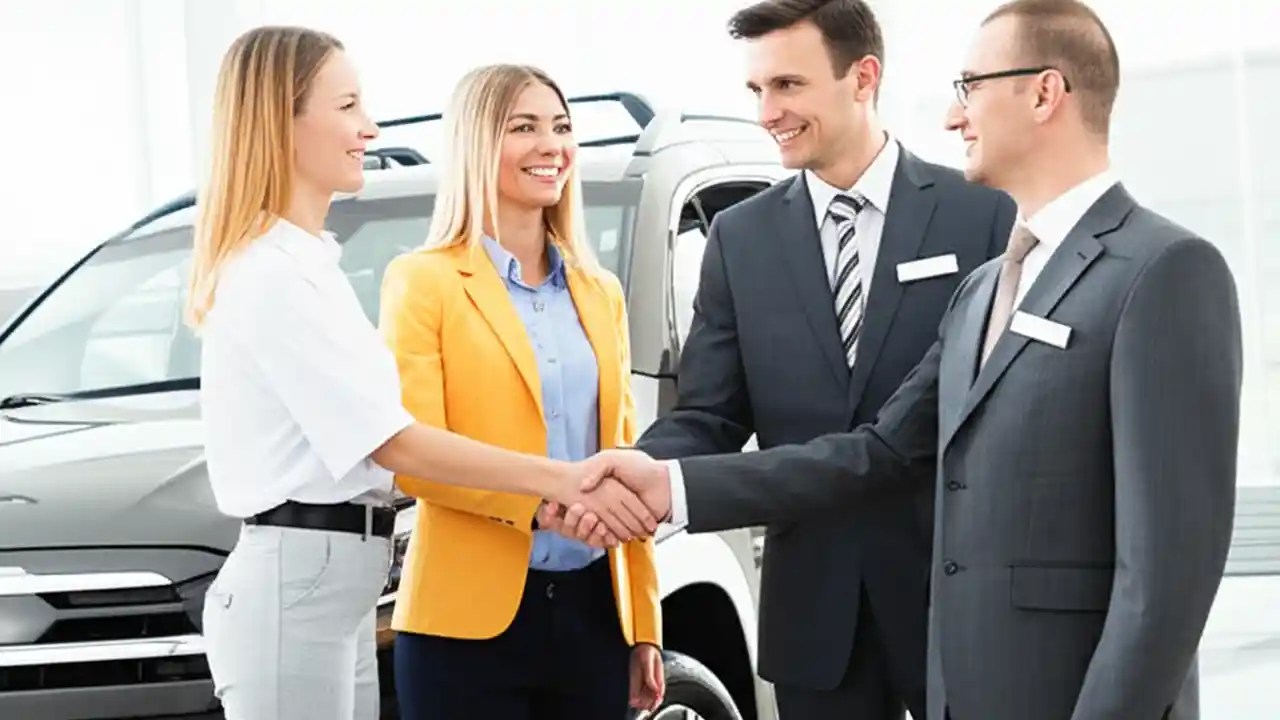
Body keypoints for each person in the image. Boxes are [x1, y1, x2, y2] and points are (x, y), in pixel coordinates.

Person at [566, 1, 1244, 718]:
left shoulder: (1144, 264)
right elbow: (870, 446)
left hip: (1006, 651)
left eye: (971, 88)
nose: (953, 118)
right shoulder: (983, 283)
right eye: (756, 90)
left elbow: (1165, 579)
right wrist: (653, 481)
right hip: (851, 634)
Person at [187, 28, 654, 720]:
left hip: (341, 574)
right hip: (313, 575)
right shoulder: (276, 275)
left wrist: (640, 618)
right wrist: (560, 482)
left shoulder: (310, 265)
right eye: (347, 106)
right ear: (280, 119)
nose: (368, 127)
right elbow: (397, 443)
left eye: (560, 126)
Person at [595, 1, 1014, 717]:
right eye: (757, 91)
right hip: (815, 616)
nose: (768, 112)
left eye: (787, 85)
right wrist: (631, 478)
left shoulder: (982, 213)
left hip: (956, 600)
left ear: (863, 77)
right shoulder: (740, 238)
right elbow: (708, 416)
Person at [378, 63, 665, 719]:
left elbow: (623, 457)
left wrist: (642, 621)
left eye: (562, 128)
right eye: (524, 127)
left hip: (597, 614)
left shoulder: (600, 293)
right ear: (477, 143)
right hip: (463, 626)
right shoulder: (423, 283)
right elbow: (414, 456)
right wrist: (543, 499)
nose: (551, 146)